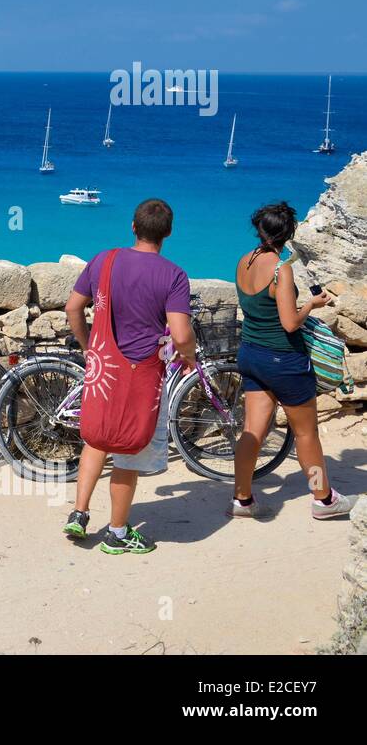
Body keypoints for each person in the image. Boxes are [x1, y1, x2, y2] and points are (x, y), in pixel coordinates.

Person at [62, 198, 196, 554]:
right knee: (128, 450)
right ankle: (117, 533)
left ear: (133, 227)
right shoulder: (173, 275)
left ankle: (79, 513)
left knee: (97, 436)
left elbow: (73, 307)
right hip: (142, 374)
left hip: (103, 367)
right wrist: (189, 354)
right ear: (168, 233)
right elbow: (180, 335)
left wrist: (88, 345)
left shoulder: (103, 261)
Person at [229, 201, 356, 519]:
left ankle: (242, 499)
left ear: (260, 229)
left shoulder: (244, 261)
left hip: (251, 354)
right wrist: (311, 304)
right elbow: (289, 323)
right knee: (306, 434)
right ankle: (323, 499)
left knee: (252, 432)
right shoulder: (280, 271)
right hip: (283, 361)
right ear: (289, 233)